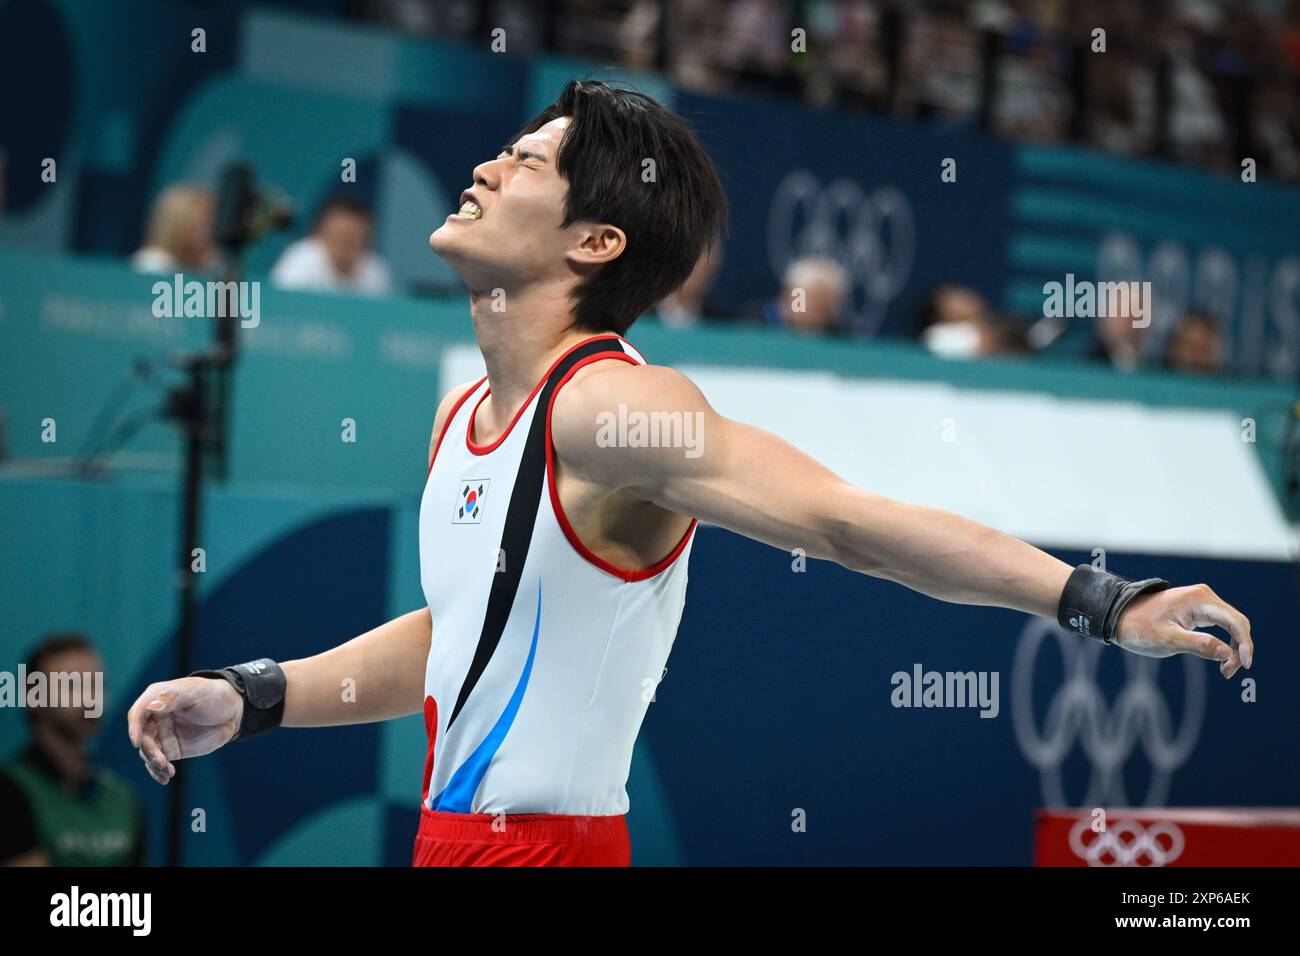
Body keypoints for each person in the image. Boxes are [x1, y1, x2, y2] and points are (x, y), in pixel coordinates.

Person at [128, 80, 1254, 868]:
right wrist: (255, 694)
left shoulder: (615, 409)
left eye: (523, 162)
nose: (482, 165)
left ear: (595, 243)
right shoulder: (466, 411)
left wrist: (1102, 600)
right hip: (449, 842)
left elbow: (842, 519)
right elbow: (461, 634)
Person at [2, 633, 146, 866]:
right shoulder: (10, 793)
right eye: (72, 685)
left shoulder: (123, 799)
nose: (90, 699)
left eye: (96, 685)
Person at [270, 193, 392, 295]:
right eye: (339, 235)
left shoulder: (376, 271)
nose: (344, 244)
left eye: (352, 239)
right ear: (322, 234)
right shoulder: (299, 260)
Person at [130, 183, 218, 274]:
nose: (212, 231)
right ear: (182, 225)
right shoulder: (152, 263)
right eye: (206, 223)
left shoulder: (205, 266)